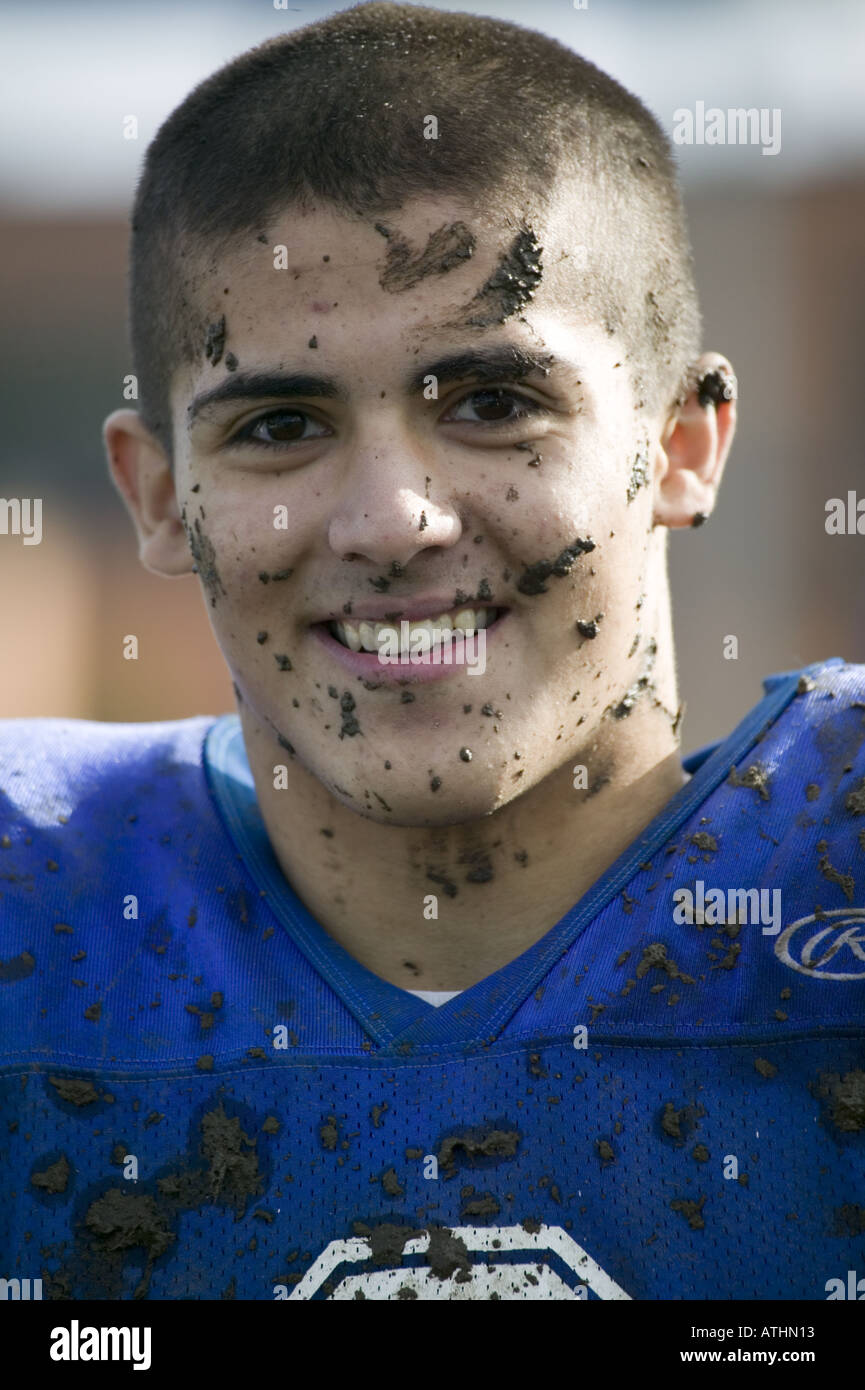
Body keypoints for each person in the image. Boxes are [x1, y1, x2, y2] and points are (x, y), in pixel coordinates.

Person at [1, 2, 862, 1302]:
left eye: (494, 403)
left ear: (681, 443)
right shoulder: (37, 915)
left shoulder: (831, 861)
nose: (391, 519)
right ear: (162, 496)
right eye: (281, 423)